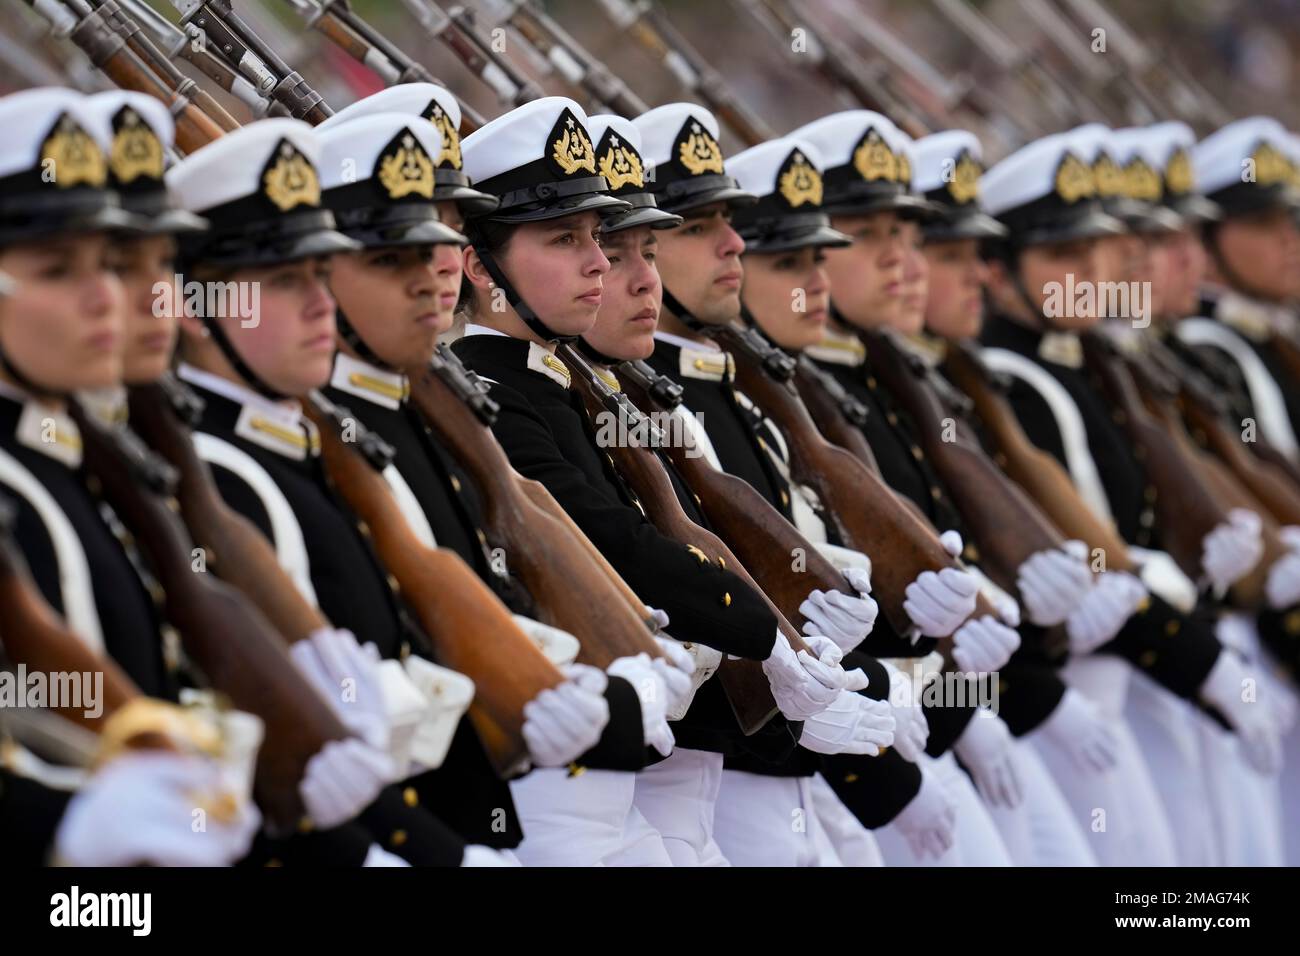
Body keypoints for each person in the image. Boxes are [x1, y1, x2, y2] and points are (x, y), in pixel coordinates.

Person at [451, 96, 860, 866]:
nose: (601, 264)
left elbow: (673, 527)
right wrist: (767, 633)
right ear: (479, 264)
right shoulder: (491, 394)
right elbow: (612, 539)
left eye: (597, 239)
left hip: (657, 778)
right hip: (564, 790)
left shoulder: (566, 383)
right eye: (567, 238)